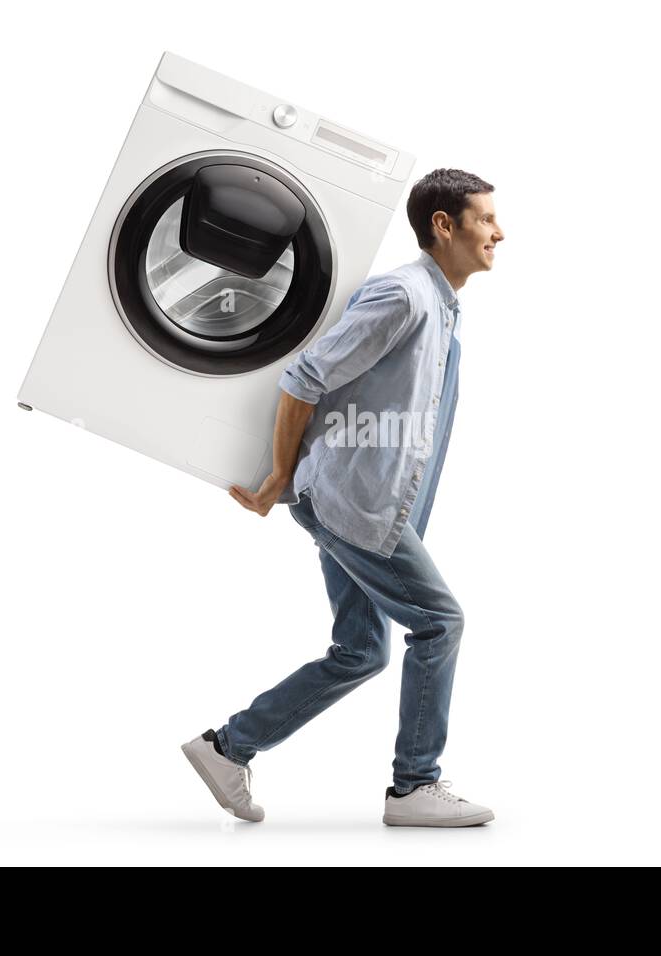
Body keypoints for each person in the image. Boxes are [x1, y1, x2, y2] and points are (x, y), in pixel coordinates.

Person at [181, 168, 504, 827]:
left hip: (367, 505)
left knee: (362, 650)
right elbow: (305, 377)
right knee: (440, 622)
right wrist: (279, 475)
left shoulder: (442, 305)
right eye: (485, 218)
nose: (500, 231)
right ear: (444, 226)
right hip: (352, 506)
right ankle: (415, 786)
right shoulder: (405, 295)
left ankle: (228, 748)